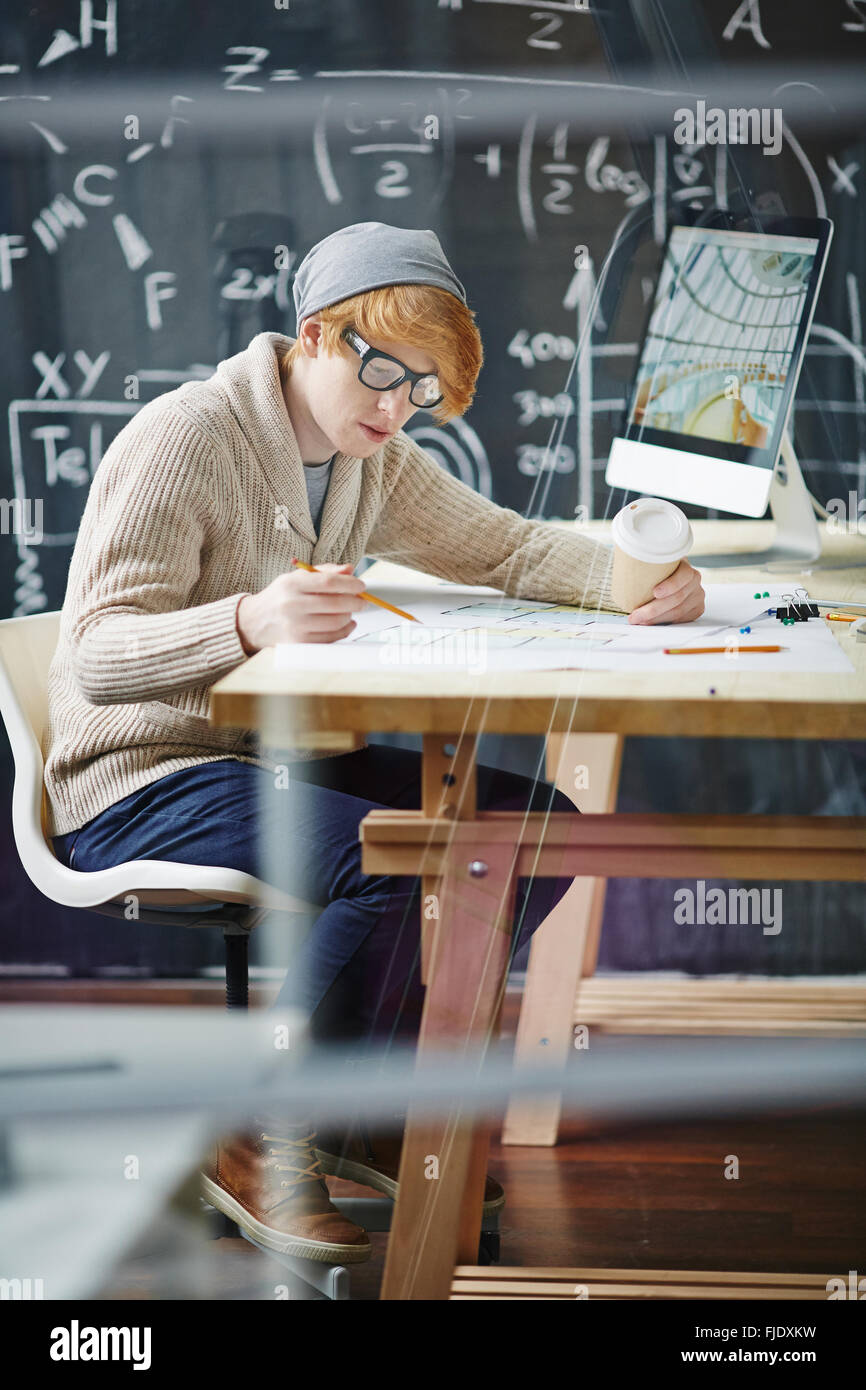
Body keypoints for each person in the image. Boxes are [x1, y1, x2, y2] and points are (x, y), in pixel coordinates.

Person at [44, 221, 705, 1265]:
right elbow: (92, 657)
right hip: (142, 768)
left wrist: (644, 585)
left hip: (265, 754)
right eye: (383, 373)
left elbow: (509, 546)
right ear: (315, 334)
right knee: (399, 864)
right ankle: (263, 1130)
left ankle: (351, 1113)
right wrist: (248, 622)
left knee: (534, 828)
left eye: (423, 390)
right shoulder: (188, 437)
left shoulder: (372, 460)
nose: (397, 409)